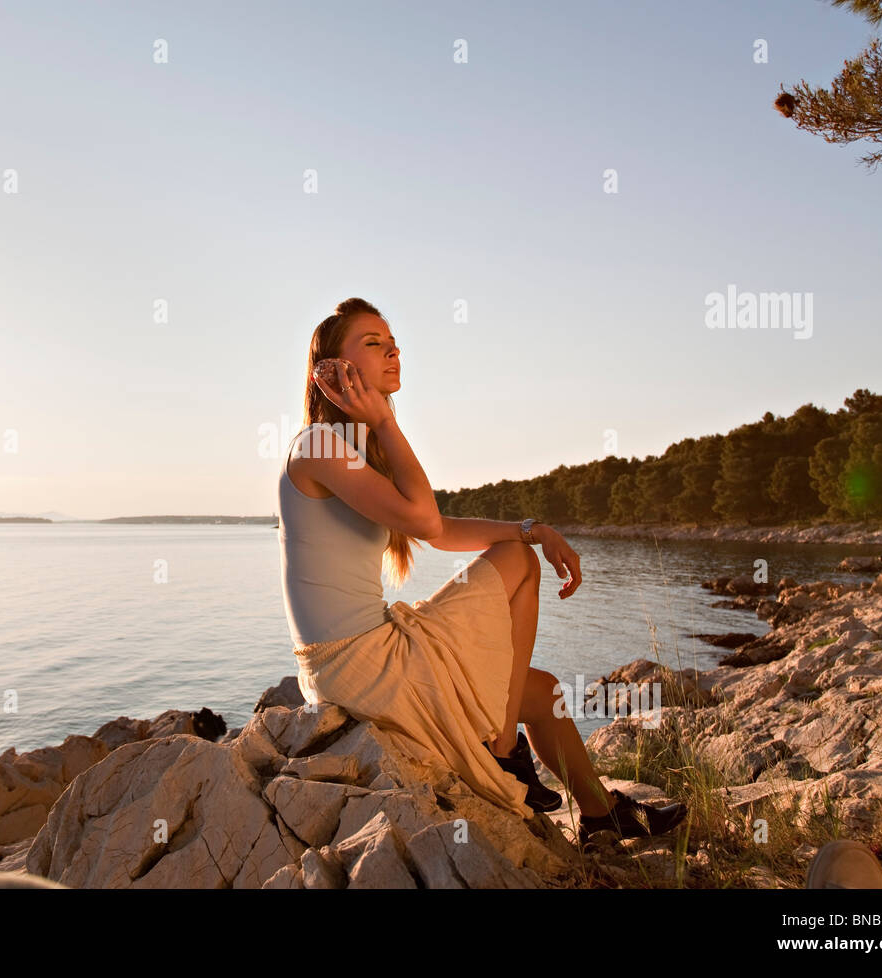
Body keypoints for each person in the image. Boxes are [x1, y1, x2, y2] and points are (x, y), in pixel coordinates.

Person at [277, 298, 687, 846]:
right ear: (327, 371)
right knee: (517, 564)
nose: (394, 350)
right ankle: (501, 747)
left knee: (543, 694)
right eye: (373, 343)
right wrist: (384, 419)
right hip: (355, 665)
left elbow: (438, 530)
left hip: (369, 652)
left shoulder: (355, 451)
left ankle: (597, 813)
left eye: (393, 340)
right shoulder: (319, 445)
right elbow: (423, 517)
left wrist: (531, 527)